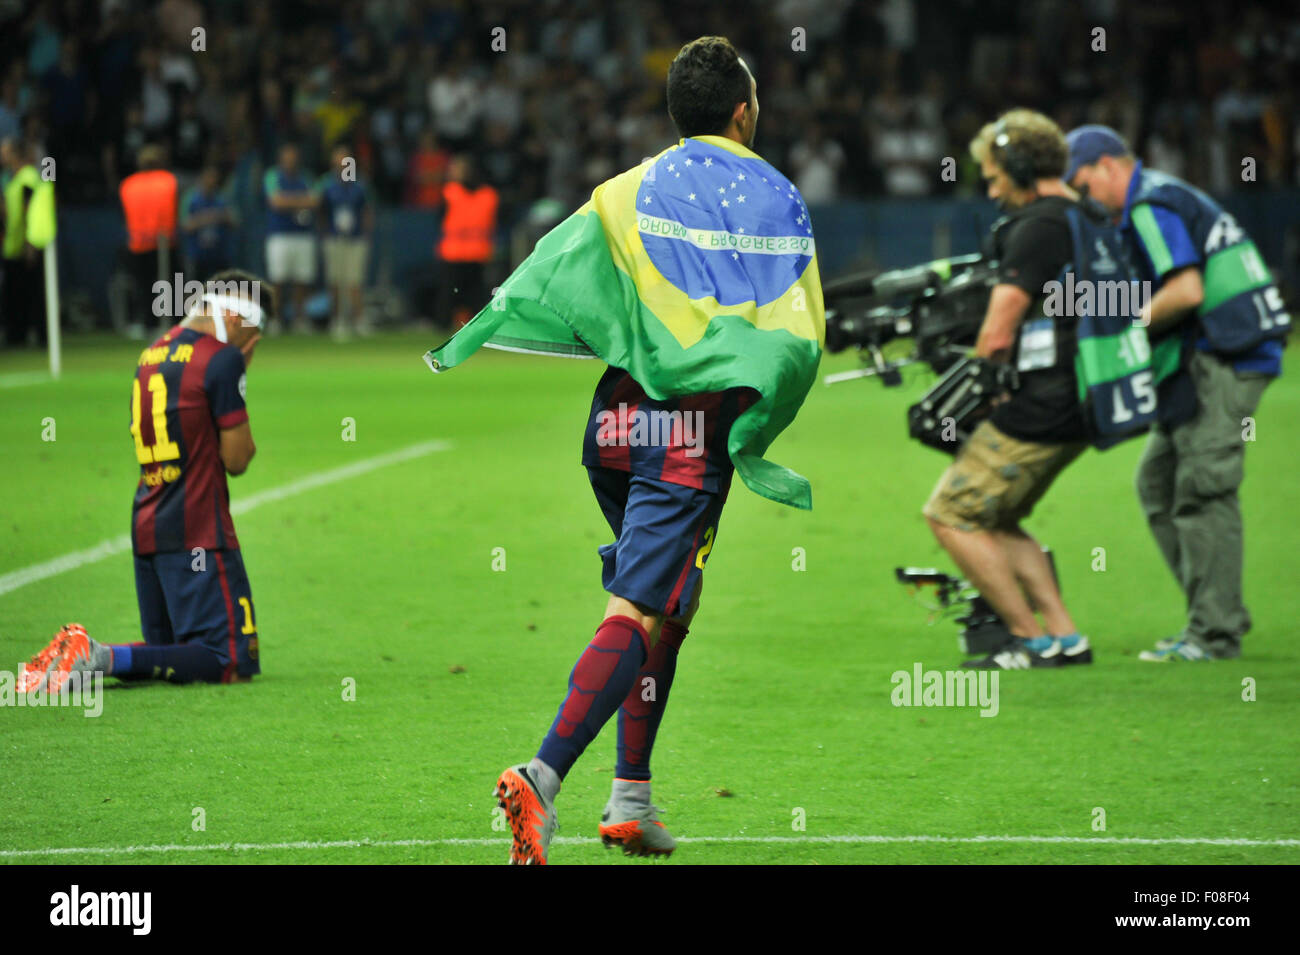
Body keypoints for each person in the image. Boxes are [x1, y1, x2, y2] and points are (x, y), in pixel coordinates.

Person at [425, 36, 824, 864]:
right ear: (745, 111)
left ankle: (630, 799)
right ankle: (543, 774)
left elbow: (555, 274)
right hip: (689, 433)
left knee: (671, 606)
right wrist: (756, 418)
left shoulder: (626, 187)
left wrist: (478, 333)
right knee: (638, 609)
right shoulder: (776, 195)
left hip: (614, 425)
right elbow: (796, 335)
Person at [1066, 126, 1289, 661]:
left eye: (1083, 182)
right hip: (1213, 354)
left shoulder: (1149, 201)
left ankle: (1213, 634)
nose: (1082, 196)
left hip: (1225, 356)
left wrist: (1128, 330)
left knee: (1202, 489)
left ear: (1109, 166)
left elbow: (1186, 290)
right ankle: (1212, 616)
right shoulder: (1160, 195)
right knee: (1158, 482)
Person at [19, 270, 273, 693]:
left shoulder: (151, 353)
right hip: (198, 535)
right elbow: (237, 458)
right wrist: (240, 371)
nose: (255, 341)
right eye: (255, 328)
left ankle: (78, 661)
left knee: (171, 651)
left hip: (150, 530)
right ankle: (97, 655)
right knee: (227, 658)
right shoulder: (221, 358)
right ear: (233, 314)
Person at [923, 109, 1113, 670]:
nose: (991, 187)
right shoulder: (1090, 217)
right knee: (997, 516)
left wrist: (970, 394)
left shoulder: (1038, 226)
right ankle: (1065, 637)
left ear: (1022, 166)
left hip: (1044, 401)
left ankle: (1028, 639)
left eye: (994, 173)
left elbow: (1000, 326)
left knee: (951, 512)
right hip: (1086, 395)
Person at [119, 143, 178, 333]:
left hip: (137, 243)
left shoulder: (128, 184)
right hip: (163, 242)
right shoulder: (168, 180)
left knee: (143, 286)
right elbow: (170, 212)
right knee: (167, 284)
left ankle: (147, 323)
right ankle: (170, 323)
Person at [317, 142, 374, 339]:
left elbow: (367, 211)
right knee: (335, 281)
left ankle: (358, 320)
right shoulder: (326, 184)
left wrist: (366, 236)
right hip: (334, 239)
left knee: (354, 281)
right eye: (339, 159)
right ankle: (337, 320)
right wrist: (326, 234)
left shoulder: (359, 184)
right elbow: (321, 211)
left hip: (356, 239)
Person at [437, 155, 496, 329]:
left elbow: (439, 218)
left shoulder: (450, 192)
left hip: (461, 252)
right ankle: (472, 326)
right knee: (470, 295)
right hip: (469, 252)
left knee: (457, 295)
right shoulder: (488, 194)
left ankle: (446, 326)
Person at [263, 143, 318, 333]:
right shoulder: (272, 176)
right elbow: (276, 202)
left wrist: (289, 201)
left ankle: (300, 320)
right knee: (277, 280)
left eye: (293, 157)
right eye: (287, 157)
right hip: (279, 236)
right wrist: (300, 201)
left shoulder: (306, 177)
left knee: (302, 280)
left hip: (302, 236)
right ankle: (275, 320)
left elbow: (314, 200)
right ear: (281, 158)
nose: (290, 161)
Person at [1, 136, 46, 347]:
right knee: (15, 295)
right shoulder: (14, 178)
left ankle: (35, 336)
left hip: (24, 246)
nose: (2, 154)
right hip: (13, 246)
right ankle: (17, 336)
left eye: (5, 151)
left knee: (30, 294)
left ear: (14, 155)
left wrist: (30, 245)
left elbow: (31, 210)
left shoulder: (28, 177)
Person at [180, 162, 235, 282]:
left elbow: (234, 220)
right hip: (197, 255)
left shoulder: (222, 198)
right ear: (202, 178)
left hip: (219, 255)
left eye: (214, 178)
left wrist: (219, 216)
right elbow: (185, 225)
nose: (212, 181)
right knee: (195, 289)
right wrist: (205, 218)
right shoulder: (191, 199)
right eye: (209, 177)